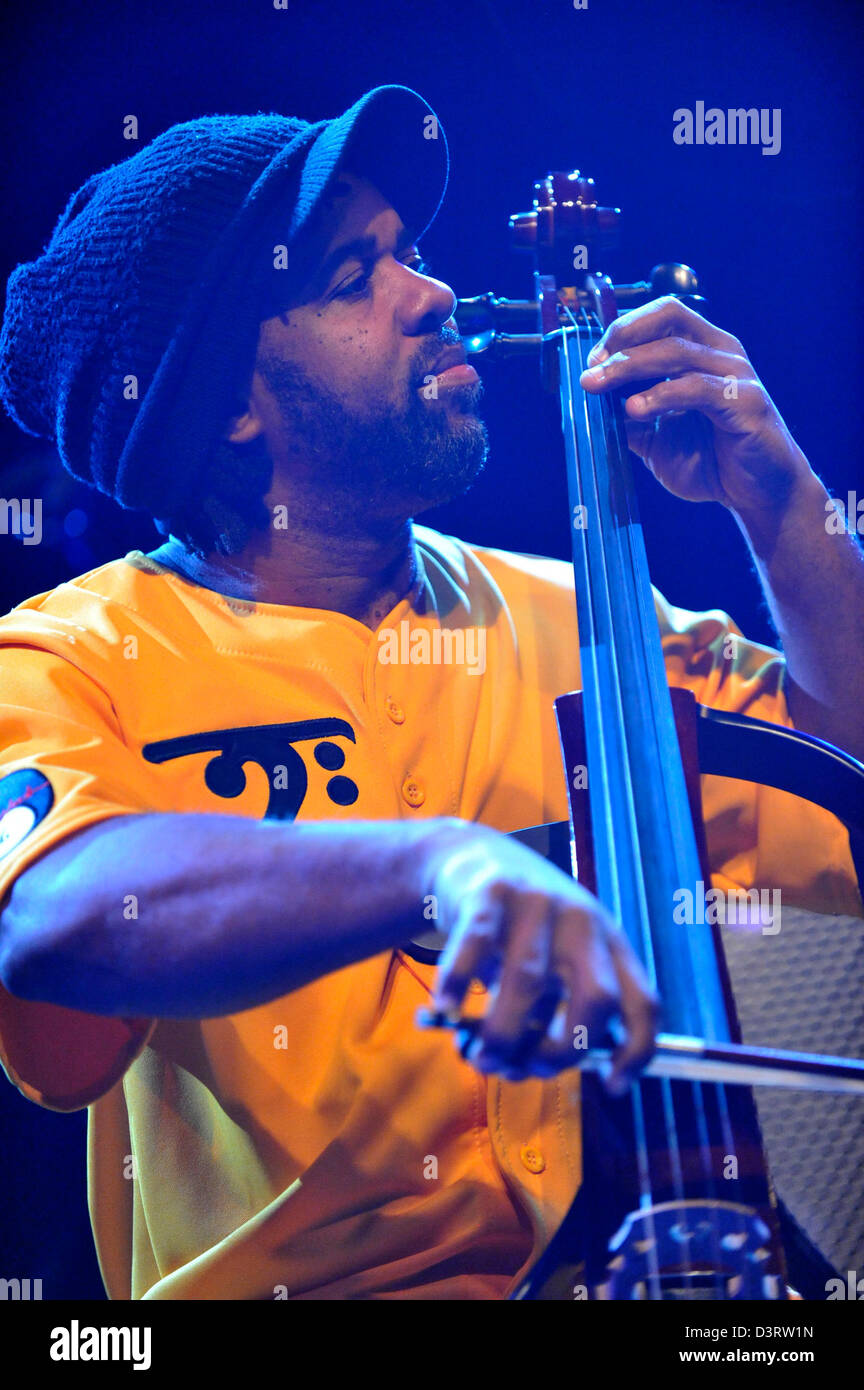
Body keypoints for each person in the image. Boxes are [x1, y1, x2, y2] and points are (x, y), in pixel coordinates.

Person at [0, 85, 860, 1302]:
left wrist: (784, 507)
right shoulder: (72, 652)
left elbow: (848, 786)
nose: (435, 291)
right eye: (358, 273)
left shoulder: (586, 620)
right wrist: (435, 866)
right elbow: (47, 915)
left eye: (412, 251)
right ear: (229, 405)